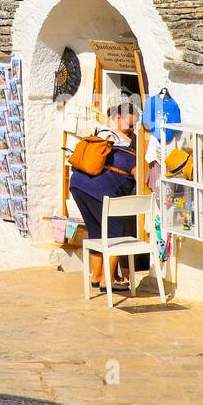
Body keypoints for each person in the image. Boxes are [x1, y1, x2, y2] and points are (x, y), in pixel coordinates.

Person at [70, 95, 138, 292]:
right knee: (115, 232)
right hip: (98, 191)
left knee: (96, 230)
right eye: (129, 126)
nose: (132, 131)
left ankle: (96, 275)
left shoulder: (103, 141)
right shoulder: (127, 153)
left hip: (78, 184)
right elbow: (139, 177)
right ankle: (107, 280)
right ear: (118, 119)